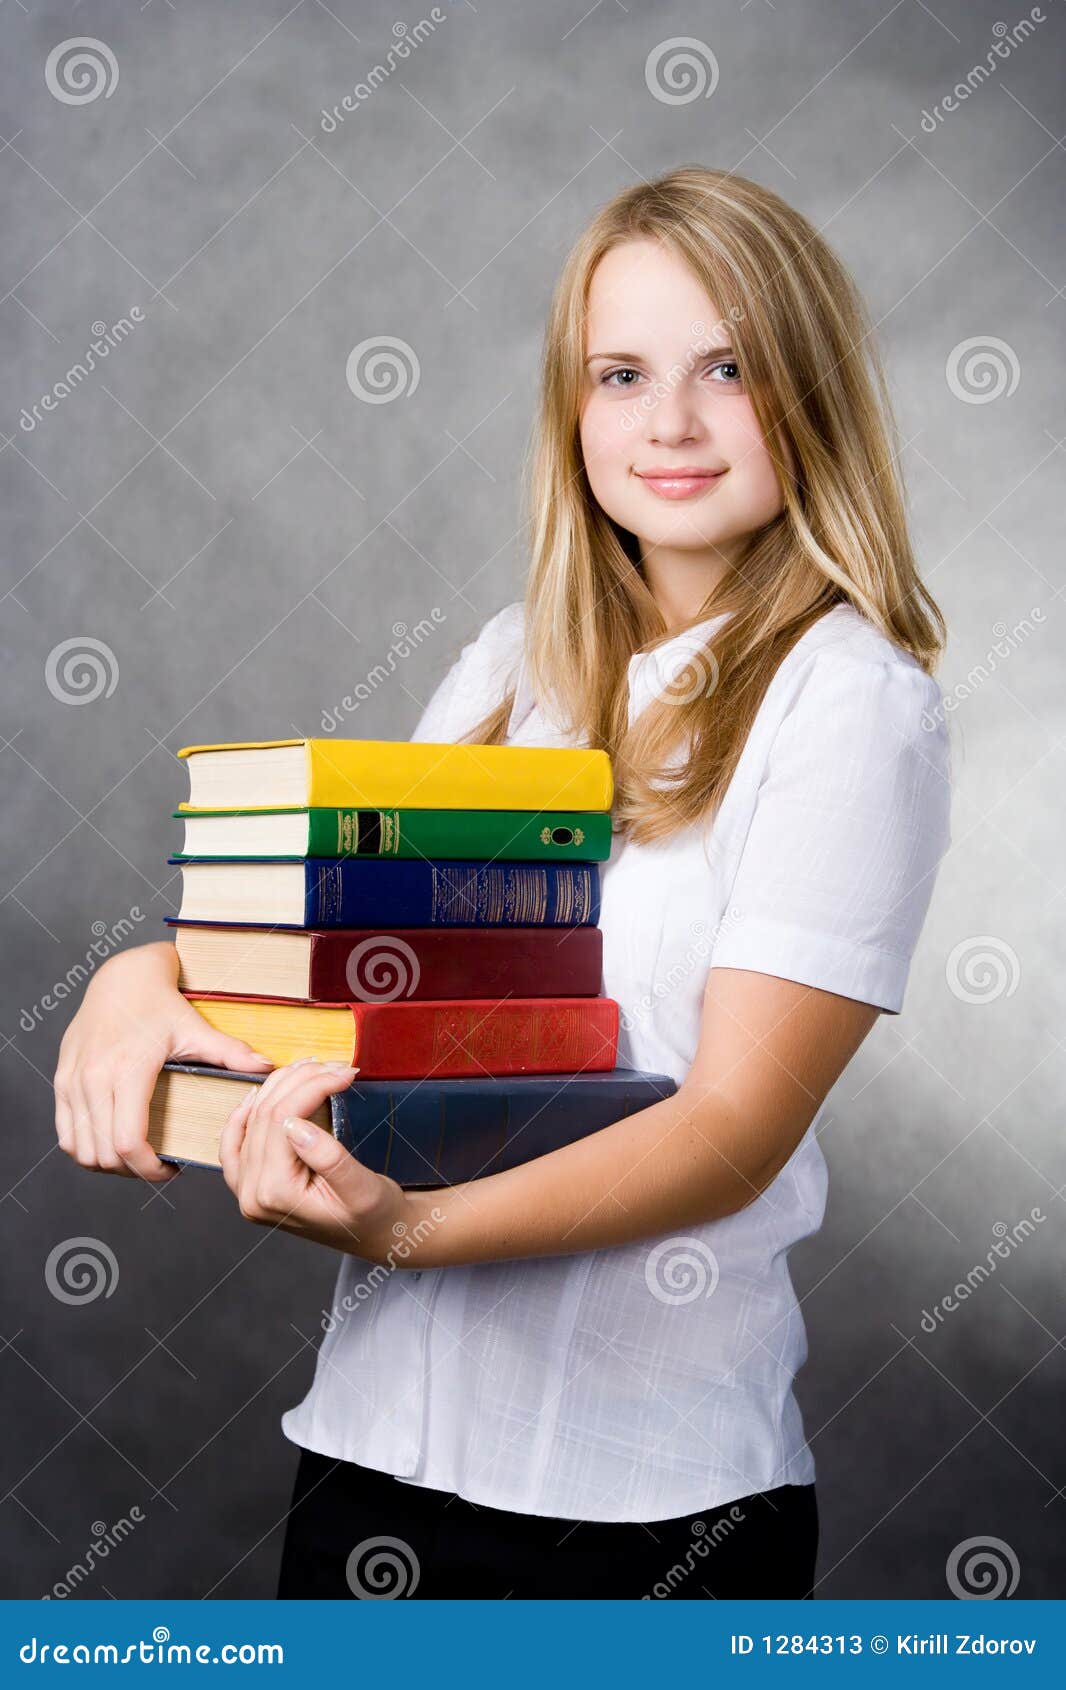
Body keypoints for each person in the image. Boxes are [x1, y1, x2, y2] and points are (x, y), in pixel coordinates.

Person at [53, 166, 952, 1600]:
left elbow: (728, 1131)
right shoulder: (508, 666)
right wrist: (138, 978)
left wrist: (407, 1229)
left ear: (810, 392)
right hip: (373, 1463)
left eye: (727, 367)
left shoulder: (848, 704)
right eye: (621, 372)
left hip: (648, 1515)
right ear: (572, 409)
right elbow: (366, 976)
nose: (668, 420)